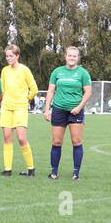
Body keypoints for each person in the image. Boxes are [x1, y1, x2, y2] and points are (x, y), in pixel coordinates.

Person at [44, 46, 91, 180]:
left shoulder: (83, 73)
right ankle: (54, 172)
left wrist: (79, 107)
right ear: (65, 57)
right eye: (69, 55)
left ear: (78, 58)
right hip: (59, 109)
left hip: (75, 111)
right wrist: (47, 109)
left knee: (76, 141)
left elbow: (88, 92)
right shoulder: (57, 72)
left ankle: (76, 173)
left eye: (74, 56)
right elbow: (51, 91)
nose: (71, 58)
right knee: (56, 141)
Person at [0, 44, 39, 176]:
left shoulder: (25, 70)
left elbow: (34, 89)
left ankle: (31, 168)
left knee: (21, 138)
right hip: (6, 107)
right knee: (6, 137)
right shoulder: (4, 70)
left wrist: (26, 99)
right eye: (7, 56)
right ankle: (7, 169)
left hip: (20, 107)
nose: (8, 58)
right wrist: (4, 103)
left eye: (11, 56)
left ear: (17, 56)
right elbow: (3, 89)